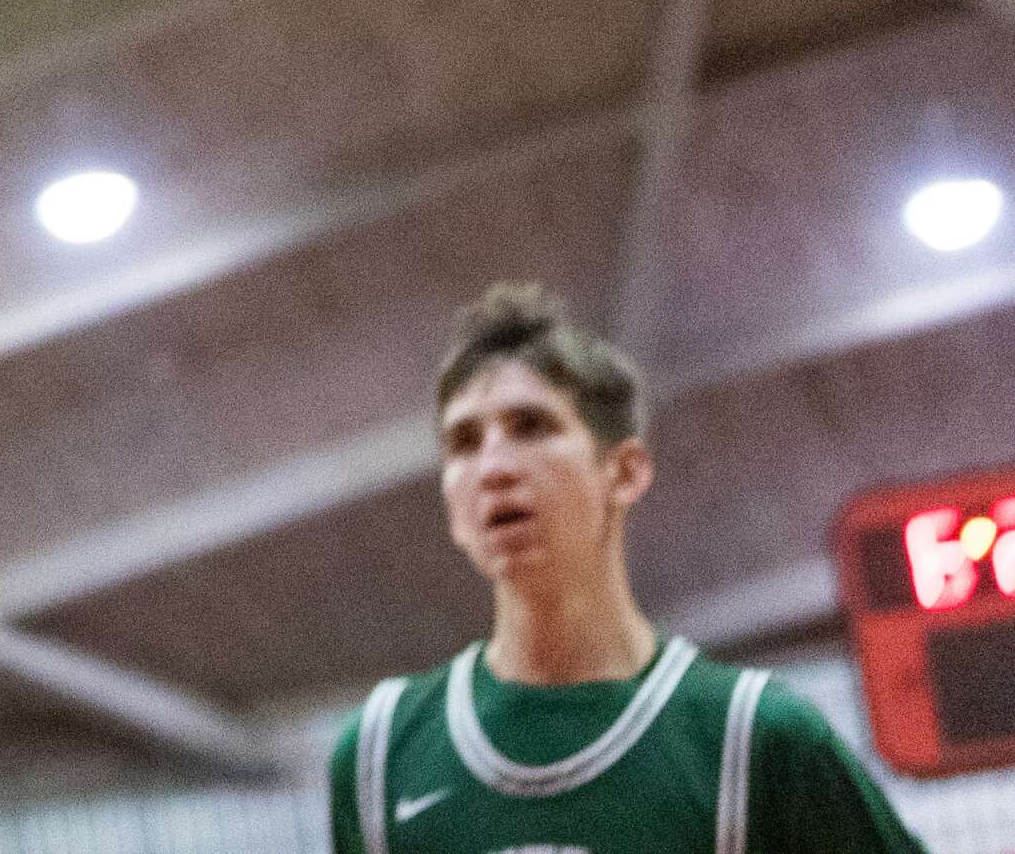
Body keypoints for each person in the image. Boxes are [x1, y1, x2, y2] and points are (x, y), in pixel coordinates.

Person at [329, 285, 930, 854]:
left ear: (624, 472)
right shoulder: (379, 754)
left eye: (531, 426)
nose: (492, 467)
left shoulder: (758, 736)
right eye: (463, 441)